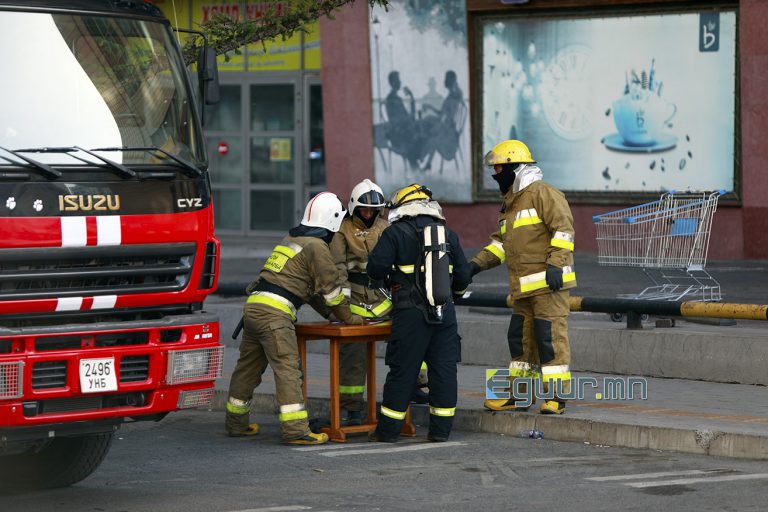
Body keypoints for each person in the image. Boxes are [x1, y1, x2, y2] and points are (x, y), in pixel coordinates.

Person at [225, 192, 364, 445]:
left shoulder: (291, 239)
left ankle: (236, 424)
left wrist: (331, 316)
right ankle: (296, 430)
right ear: (333, 221)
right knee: (288, 370)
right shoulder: (317, 247)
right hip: (275, 316)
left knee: (247, 369)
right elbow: (331, 291)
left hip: (254, 308)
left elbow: (309, 291)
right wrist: (349, 318)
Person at [471, 140, 576, 415]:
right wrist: (473, 266)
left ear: (515, 167)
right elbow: (500, 246)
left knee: (550, 340)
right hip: (523, 289)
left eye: (499, 168)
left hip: (548, 287)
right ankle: (519, 396)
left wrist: (556, 264)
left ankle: (557, 397)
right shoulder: (510, 204)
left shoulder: (543, 193)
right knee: (520, 341)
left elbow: (563, 229)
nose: (496, 175)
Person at [366, 184, 472, 442]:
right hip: (445, 314)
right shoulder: (449, 234)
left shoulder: (395, 233)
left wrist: (392, 278)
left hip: (410, 313)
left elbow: (375, 268)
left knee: (403, 371)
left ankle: (388, 432)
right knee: (444, 372)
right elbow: (464, 276)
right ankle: (440, 432)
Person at [329, 179, 393, 425]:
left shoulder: (386, 228)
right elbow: (338, 271)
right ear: (354, 208)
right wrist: (343, 310)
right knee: (352, 354)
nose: (368, 215)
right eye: (364, 210)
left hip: (384, 299)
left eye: (373, 211)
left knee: (410, 335)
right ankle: (351, 407)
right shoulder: (341, 230)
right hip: (354, 300)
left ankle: (418, 383)